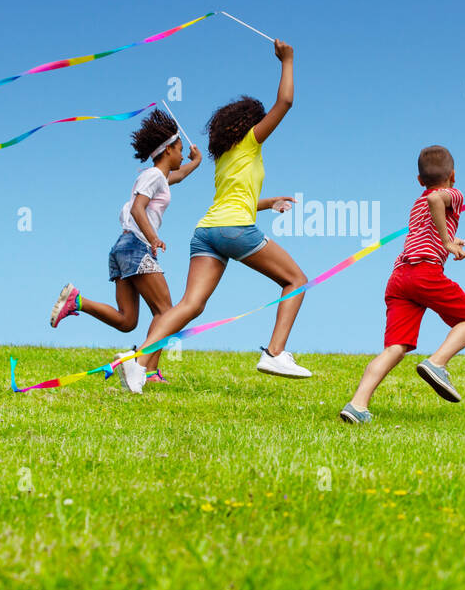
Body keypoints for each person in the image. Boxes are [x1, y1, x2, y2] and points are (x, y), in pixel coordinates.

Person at [117, 39, 308, 392]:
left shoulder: (223, 157)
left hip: (207, 231)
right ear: (249, 124)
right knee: (295, 280)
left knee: (191, 304)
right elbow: (286, 102)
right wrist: (288, 60)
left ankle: (138, 362)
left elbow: (234, 200)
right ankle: (275, 352)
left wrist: (269, 203)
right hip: (233, 228)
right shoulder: (252, 141)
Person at [48, 109, 202, 388]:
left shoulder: (158, 177)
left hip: (122, 247)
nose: (181, 156)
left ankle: (77, 301)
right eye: (179, 150)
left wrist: (197, 161)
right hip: (136, 246)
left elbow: (178, 175)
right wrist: (153, 238)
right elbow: (137, 208)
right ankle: (149, 370)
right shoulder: (154, 176)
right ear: (168, 150)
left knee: (127, 320)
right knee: (167, 312)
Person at [339, 145, 465, 423]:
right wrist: (446, 242)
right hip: (424, 273)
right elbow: (436, 201)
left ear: (419, 180)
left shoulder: (417, 201)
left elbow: (429, 216)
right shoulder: (452, 194)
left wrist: (449, 241)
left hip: (399, 278)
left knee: (395, 347)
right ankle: (437, 363)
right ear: (453, 175)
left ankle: (357, 405)